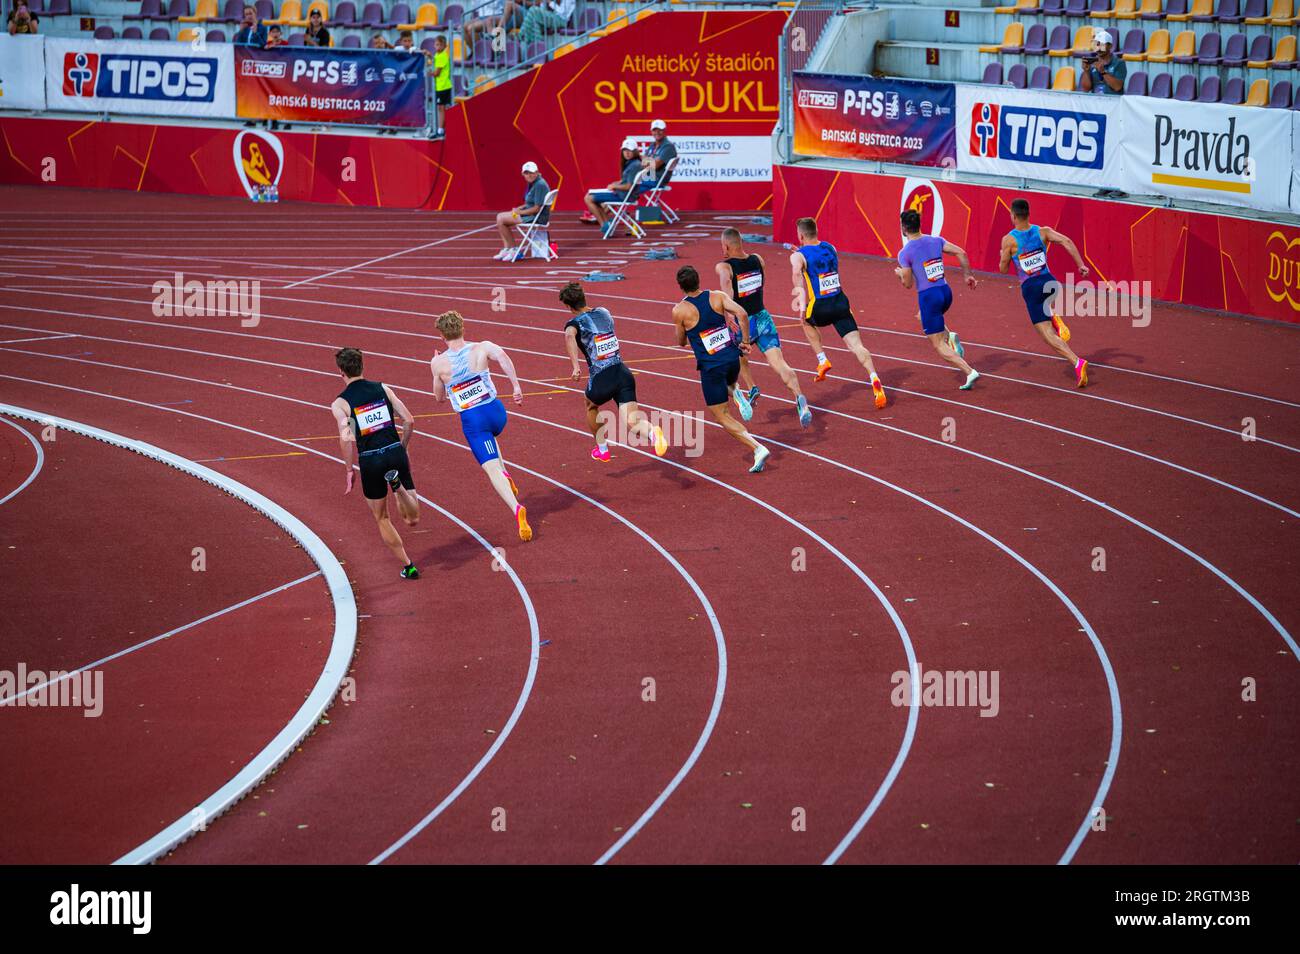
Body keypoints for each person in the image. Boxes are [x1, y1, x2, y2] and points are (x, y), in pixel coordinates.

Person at [430, 310, 534, 542]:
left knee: (491, 468)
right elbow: (504, 357)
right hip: (496, 412)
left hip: (474, 420)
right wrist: (516, 386)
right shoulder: (482, 347)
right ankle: (506, 473)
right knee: (491, 441)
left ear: (442, 336)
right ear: (462, 328)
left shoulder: (439, 363)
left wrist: (436, 371)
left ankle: (517, 509)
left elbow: (439, 398)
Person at [330, 348, 422, 579]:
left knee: (382, 518)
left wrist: (349, 470)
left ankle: (408, 565)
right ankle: (398, 486)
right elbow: (409, 420)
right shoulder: (383, 388)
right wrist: (403, 446)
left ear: (340, 371)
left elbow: (346, 437)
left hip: (370, 459)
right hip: (394, 452)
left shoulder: (340, 404)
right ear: (363, 366)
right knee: (413, 519)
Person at [672, 266, 770, 474]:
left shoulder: (680, 310)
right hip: (732, 359)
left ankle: (757, 448)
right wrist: (745, 342)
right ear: (699, 280)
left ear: (680, 287)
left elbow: (680, 342)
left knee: (721, 415)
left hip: (712, 367)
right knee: (727, 382)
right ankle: (736, 391)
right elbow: (742, 313)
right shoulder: (717, 297)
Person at [559, 281, 668, 462]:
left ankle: (602, 448)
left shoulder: (574, 324)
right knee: (633, 423)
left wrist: (576, 366)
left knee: (590, 405)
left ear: (569, 306)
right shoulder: (604, 312)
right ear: (583, 297)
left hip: (603, 377)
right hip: (623, 373)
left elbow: (569, 335)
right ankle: (653, 433)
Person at [714, 228, 813, 428]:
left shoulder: (724, 266)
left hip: (743, 322)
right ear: (741, 243)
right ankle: (800, 398)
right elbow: (761, 283)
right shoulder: (758, 259)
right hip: (763, 317)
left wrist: (729, 313)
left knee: (733, 359)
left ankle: (750, 389)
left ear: (725, 246)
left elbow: (726, 287)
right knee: (779, 363)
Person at [790, 216, 887, 409]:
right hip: (841, 302)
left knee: (807, 322)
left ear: (800, 235)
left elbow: (796, 274)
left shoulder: (798, 256)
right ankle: (874, 377)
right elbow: (819, 258)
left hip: (820, 305)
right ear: (815, 231)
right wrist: (800, 254)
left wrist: (801, 304)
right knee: (857, 346)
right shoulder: (831, 248)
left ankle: (822, 360)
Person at [998, 197, 1091, 388]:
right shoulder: (1043, 232)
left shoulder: (1009, 240)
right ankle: (1053, 315)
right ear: (1028, 214)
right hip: (1051, 284)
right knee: (1046, 303)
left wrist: (1003, 257)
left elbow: (1003, 269)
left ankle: (1077, 362)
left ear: (1013, 216)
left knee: (1046, 334)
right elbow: (1066, 240)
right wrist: (1080, 265)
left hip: (1031, 289)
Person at [894, 209, 980, 391]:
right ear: (919, 224)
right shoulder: (936, 240)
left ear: (903, 228)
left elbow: (908, 284)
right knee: (922, 316)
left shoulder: (905, 253)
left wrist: (901, 274)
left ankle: (969, 370)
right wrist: (967, 276)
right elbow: (961, 253)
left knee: (938, 345)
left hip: (929, 297)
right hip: (946, 293)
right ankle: (951, 337)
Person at [583, 138, 647, 238]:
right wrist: (616, 183)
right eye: (625, 150)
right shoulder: (633, 163)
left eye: (629, 150)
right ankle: (606, 224)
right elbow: (627, 181)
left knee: (588, 197)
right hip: (625, 194)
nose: (627, 153)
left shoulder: (634, 165)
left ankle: (604, 225)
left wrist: (614, 186)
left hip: (624, 195)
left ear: (635, 151)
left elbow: (628, 186)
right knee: (595, 199)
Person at [493, 161, 553, 261]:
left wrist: (519, 212)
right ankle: (508, 248)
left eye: (531, 173)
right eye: (526, 173)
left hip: (536, 217)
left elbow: (536, 208)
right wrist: (521, 207)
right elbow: (531, 203)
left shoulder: (539, 185)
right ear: (522, 174)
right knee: (500, 217)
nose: (529, 175)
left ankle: (513, 249)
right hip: (533, 214)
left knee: (501, 219)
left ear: (537, 172)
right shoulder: (533, 183)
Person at [643, 119, 677, 187]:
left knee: (630, 184)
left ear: (665, 130)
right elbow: (644, 161)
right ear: (651, 131)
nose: (657, 132)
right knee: (628, 181)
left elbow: (654, 166)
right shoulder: (652, 145)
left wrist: (647, 162)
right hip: (648, 176)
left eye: (660, 130)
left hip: (657, 180)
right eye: (654, 130)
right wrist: (647, 162)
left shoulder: (668, 146)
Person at [431, 34, 452, 136]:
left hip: (444, 87)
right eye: (436, 45)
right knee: (441, 108)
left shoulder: (443, 56)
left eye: (440, 45)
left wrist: (428, 72)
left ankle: (440, 130)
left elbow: (437, 73)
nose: (438, 47)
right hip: (440, 86)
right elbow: (434, 61)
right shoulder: (437, 55)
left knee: (441, 108)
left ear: (444, 46)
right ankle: (441, 129)